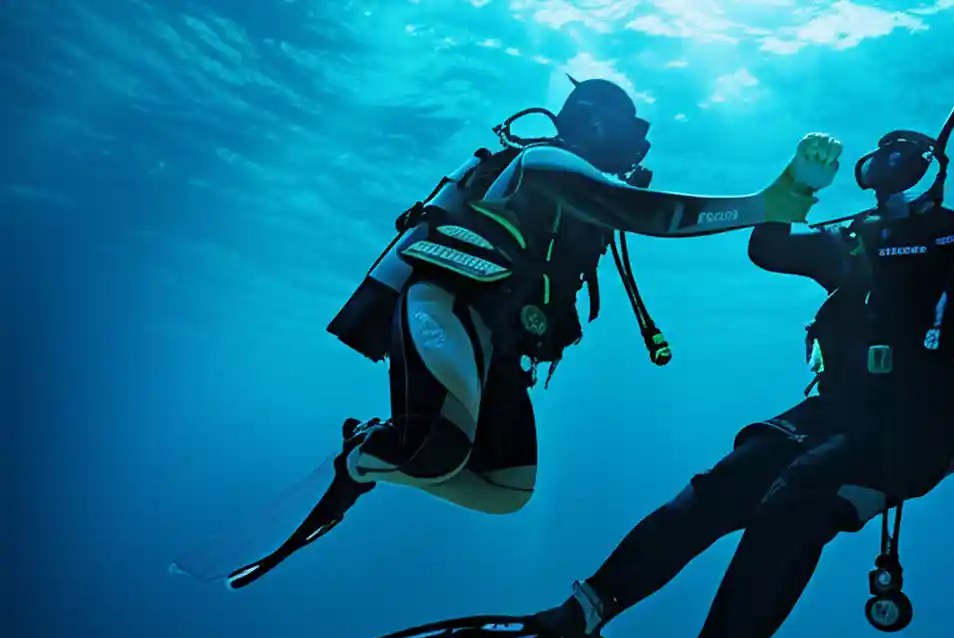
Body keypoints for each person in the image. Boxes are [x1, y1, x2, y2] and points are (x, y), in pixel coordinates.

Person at [274, 81, 954, 638]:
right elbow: (770, 252)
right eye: (875, 164)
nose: (884, 175)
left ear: (933, 167)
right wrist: (797, 195)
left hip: (923, 426)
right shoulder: (854, 240)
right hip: (832, 408)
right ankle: (576, 618)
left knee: (797, 501)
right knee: (722, 487)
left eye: (898, 161)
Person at [223, 77, 838, 590]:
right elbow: (647, 215)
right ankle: (369, 454)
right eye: (627, 128)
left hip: (501, 351)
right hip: (447, 305)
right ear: (592, 123)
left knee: (506, 490)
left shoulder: (582, 185)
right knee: (436, 451)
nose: (635, 145)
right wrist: (766, 203)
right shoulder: (545, 159)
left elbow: (621, 218)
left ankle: (367, 462)